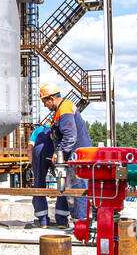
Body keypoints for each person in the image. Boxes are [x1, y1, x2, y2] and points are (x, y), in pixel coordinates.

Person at [39, 82, 90, 228]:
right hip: (74, 155)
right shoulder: (62, 109)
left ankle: (82, 225)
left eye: (45, 102)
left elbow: (70, 136)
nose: (44, 106)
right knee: (71, 189)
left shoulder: (65, 109)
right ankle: (80, 223)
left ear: (52, 99)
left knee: (78, 189)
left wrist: (58, 152)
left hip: (77, 156)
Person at [27, 121, 54, 228]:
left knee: (39, 182)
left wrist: (33, 163)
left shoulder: (38, 130)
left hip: (39, 151)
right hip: (55, 149)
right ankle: (62, 220)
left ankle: (43, 220)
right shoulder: (55, 129)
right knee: (62, 183)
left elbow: (30, 148)